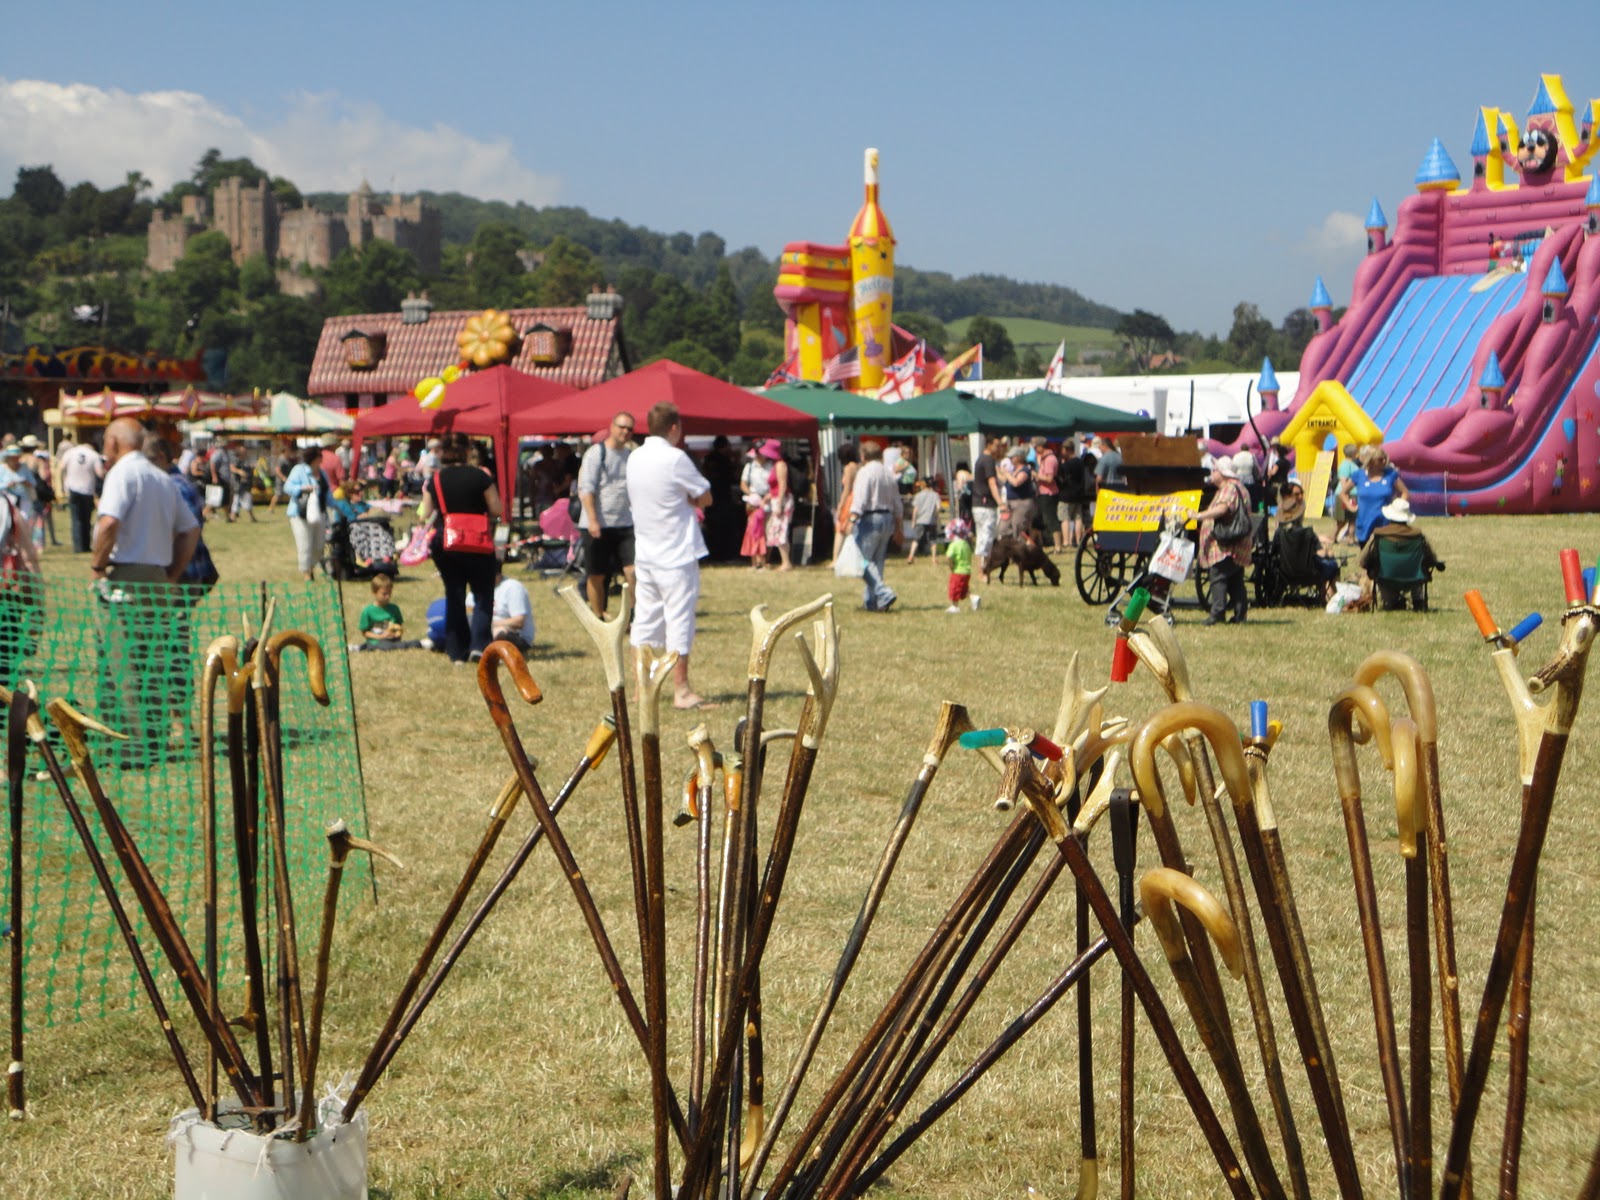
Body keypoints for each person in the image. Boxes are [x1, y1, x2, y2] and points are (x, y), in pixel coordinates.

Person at [625, 401, 716, 709]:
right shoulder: (675, 458)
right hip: (675, 552)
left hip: (646, 551)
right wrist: (689, 501)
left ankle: (641, 689)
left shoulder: (634, 457)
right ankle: (682, 690)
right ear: (674, 427)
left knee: (645, 621)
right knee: (679, 620)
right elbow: (705, 496)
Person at [419, 433, 503, 664]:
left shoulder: (435, 480)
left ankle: (456, 651)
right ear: (468, 451)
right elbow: (496, 509)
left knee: (454, 595)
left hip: (446, 542)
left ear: (443, 453)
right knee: (483, 595)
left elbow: (426, 512)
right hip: (477, 542)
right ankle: (479, 646)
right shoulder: (481, 476)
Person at [578, 411, 637, 616]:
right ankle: (598, 615)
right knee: (597, 575)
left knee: (633, 571)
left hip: (625, 523)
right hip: (597, 524)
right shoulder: (596, 453)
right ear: (612, 427)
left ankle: (634, 616)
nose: (625, 432)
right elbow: (586, 489)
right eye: (622, 426)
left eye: (629, 428)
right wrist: (593, 520)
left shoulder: (631, 456)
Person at [1193, 456, 1253, 626]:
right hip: (1236, 542)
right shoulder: (1239, 487)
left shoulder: (1230, 488)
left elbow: (1223, 508)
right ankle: (1240, 615)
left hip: (1226, 543)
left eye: (1215, 470)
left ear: (1223, 473)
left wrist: (1198, 515)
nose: (1212, 473)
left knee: (1218, 576)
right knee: (1235, 580)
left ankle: (1217, 613)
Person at [848, 441, 903, 613]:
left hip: (870, 518)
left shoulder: (865, 472)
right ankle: (873, 602)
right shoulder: (887, 473)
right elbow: (897, 503)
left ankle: (883, 592)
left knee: (862, 561)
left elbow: (861, 499)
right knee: (877, 563)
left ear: (863, 456)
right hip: (887, 518)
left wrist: (852, 518)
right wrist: (899, 526)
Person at [1360, 498, 1439, 611]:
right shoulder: (1418, 536)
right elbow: (1432, 557)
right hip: (1414, 578)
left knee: (1379, 569)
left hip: (1385, 577)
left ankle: (1390, 601)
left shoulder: (1378, 535)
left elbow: (1362, 559)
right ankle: (1418, 600)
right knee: (1419, 566)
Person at [1339, 446, 1408, 547]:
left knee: (1384, 554)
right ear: (1370, 460)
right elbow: (1343, 493)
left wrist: (1398, 507)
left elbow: (1405, 492)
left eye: (1385, 458)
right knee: (1366, 557)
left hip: (1386, 523)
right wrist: (1351, 507)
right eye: (1380, 459)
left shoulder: (1391, 474)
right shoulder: (1358, 475)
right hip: (1364, 521)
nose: (1384, 461)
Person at [284, 445, 331, 582]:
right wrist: (302, 488)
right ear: (315, 458)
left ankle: (314, 568)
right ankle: (307, 573)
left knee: (319, 545)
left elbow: (328, 494)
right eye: (320, 456)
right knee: (305, 545)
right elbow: (288, 487)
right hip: (300, 514)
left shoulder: (322, 473)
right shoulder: (299, 470)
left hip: (319, 513)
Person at [351, 573, 429, 651]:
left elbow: (399, 626)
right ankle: (362, 647)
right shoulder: (368, 611)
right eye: (384, 594)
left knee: (394, 645)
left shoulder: (394, 608)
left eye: (389, 593)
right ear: (374, 593)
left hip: (393, 640)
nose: (388, 596)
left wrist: (396, 634)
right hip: (376, 641)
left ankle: (420, 643)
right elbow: (365, 632)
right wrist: (381, 636)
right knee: (387, 647)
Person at [57, 433, 104, 553]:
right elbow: (100, 473)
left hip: (72, 488)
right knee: (86, 519)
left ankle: (77, 546)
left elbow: (61, 468)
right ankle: (85, 545)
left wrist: (62, 486)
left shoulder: (70, 453)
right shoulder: (94, 455)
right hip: (87, 489)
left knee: (76, 519)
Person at [759, 439, 795, 571]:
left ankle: (786, 562)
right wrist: (768, 497)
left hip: (782, 500)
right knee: (777, 531)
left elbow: (782, 485)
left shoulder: (780, 465)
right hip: (776, 499)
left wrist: (779, 504)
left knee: (780, 530)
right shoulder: (776, 465)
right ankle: (784, 561)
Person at [971, 435, 1002, 580]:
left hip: (978, 503)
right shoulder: (988, 460)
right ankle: (981, 571)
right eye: (996, 445)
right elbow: (992, 483)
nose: (999, 448)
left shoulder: (980, 459)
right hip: (986, 504)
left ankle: (983, 569)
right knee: (986, 538)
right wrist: (1000, 501)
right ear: (988, 444)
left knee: (983, 537)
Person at [490, 567, 534, 654]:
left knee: (499, 632)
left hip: (517, 636)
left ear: (498, 575)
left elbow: (518, 622)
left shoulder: (513, 588)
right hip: (489, 631)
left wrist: (488, 624)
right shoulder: (478, 589)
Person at [740, 444, 770, 568]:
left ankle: (765, 561)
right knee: (753, 532)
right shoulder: (750, 466)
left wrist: (767, 497)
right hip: (753, 502)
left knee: (767, 532)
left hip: (768, 500)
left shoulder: (771, 466)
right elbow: (743, 484)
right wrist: (752, 495)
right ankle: (754, 561)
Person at [998, 444, 1036, 539]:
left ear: (1019, 457)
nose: (1010, 459)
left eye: (1012, 457)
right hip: (1010, 503)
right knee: (1004, 528)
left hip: (1022, 503)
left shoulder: (1025, 470)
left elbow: (1016, 483)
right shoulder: (1014, 470)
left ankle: (1020, 549)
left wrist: (1007, 474)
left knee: (1018, 527)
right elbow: (1005, 481)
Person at [1060, 440, 1093, 549]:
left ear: (1067, 450)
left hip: (1067, 495)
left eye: (1063, 450)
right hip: (1079, 494)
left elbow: (1062, 479)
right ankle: (1078, 540)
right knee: (1078, 518)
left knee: (1065, 518)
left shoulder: (1067, 464)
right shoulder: (1080, 462)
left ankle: (1066, 541)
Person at [944, 517, 980, 614]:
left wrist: (951, 566)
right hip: (967, 571)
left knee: (954, 589)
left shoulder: (954, 545)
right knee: (963, 589)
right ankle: (973, 598)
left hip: (957, 571)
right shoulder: (966, 544)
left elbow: (949, 557)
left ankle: (954, 606)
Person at [1034, 438, 1064, 553]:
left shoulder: (1050, 459)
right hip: (1041, 493)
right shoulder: (1043, 459)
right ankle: (1032, 544)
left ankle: (1058, 546)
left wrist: (1036, 475)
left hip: (1049, 493)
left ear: (1042, 446)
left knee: (1051, 519)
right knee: (1037, 519)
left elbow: (1050, 479)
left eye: (1036, 447)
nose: (1035, 449)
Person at [833, 441, 862, 555]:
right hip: (859, 498)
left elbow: (847, 489)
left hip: (850, 500)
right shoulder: (860, 466)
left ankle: (836, 558)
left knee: (841, 527)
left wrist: (840, 506)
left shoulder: (849, 468)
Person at [905, 477, 940, 564]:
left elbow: (915, 510)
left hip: (920, 520)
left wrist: (913, 521)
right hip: (931, 521)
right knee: (933, 540)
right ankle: (934, 558)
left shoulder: (918, 495)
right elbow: (938, 507)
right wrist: (935, 515)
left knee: (916, 539)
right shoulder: (935, 495)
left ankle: (911, 556)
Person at [230, 441, 259, 523]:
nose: (245, 452)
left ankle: (250, 517)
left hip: (246, 484)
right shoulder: (235, 460)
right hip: (238, 484)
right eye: (243, 451)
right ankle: (233, 517)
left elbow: (249, 469)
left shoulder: (246, 460)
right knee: (238, 500)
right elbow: (232, 468)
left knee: (244, 500)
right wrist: (239, 472)